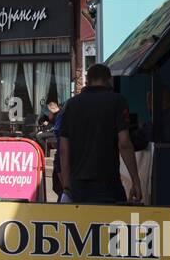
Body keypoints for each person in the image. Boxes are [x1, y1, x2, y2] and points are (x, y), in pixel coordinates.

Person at [57, 63, 142, 205]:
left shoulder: (70, 105)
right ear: (109, 80)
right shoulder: (117, 101)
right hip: (108, 184)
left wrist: (67, 187)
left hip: (78, 186)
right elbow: (124, 142)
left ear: (87, 81)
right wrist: (136, 180)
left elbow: (63, 149)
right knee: (113, 225)